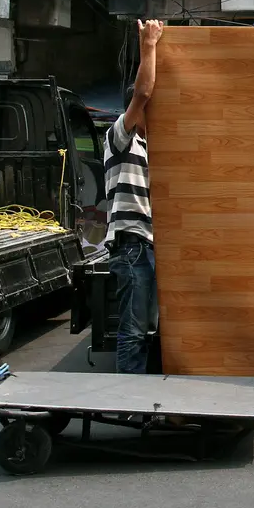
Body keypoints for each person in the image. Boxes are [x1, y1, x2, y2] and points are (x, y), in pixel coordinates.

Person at [106, 19, 163, 374]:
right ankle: (130, 404)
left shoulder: (152, 146)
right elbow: (142, 93)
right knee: (133, 332)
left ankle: (141, 398)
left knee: (148, 331)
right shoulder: (120, 135)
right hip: (132, 247)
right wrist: (149, 46)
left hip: (149, 247)